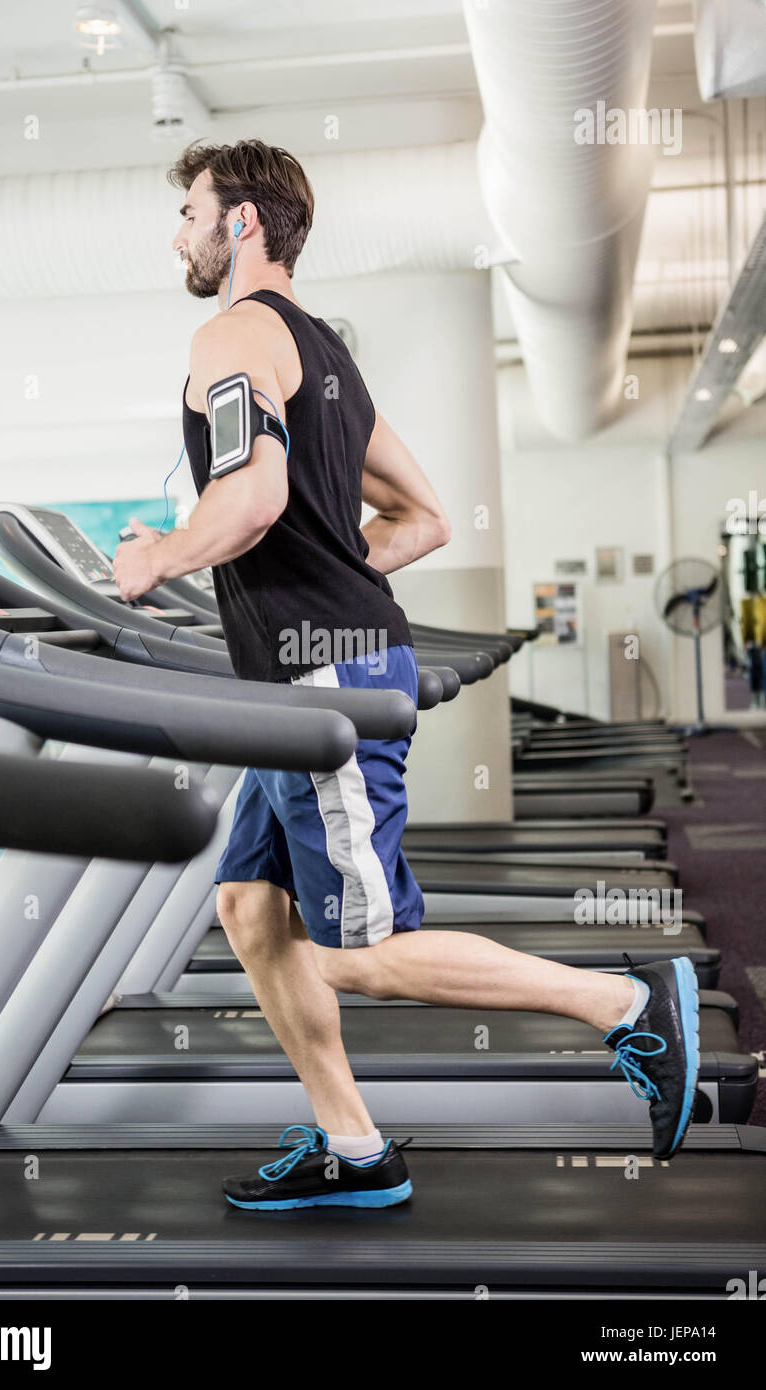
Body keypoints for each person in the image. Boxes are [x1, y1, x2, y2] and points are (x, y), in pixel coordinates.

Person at [113, 139, 700, 1211]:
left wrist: (154, 556)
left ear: (240, 223)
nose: (178, 233)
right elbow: (421, 521)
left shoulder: (230, 335)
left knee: (358, 951)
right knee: (249, 904)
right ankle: (354, 1146)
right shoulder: (329, 360)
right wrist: (318, 570)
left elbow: (246, 499)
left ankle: (625, 1001)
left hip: (320, 682)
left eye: (190, 211)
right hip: (308, 675)